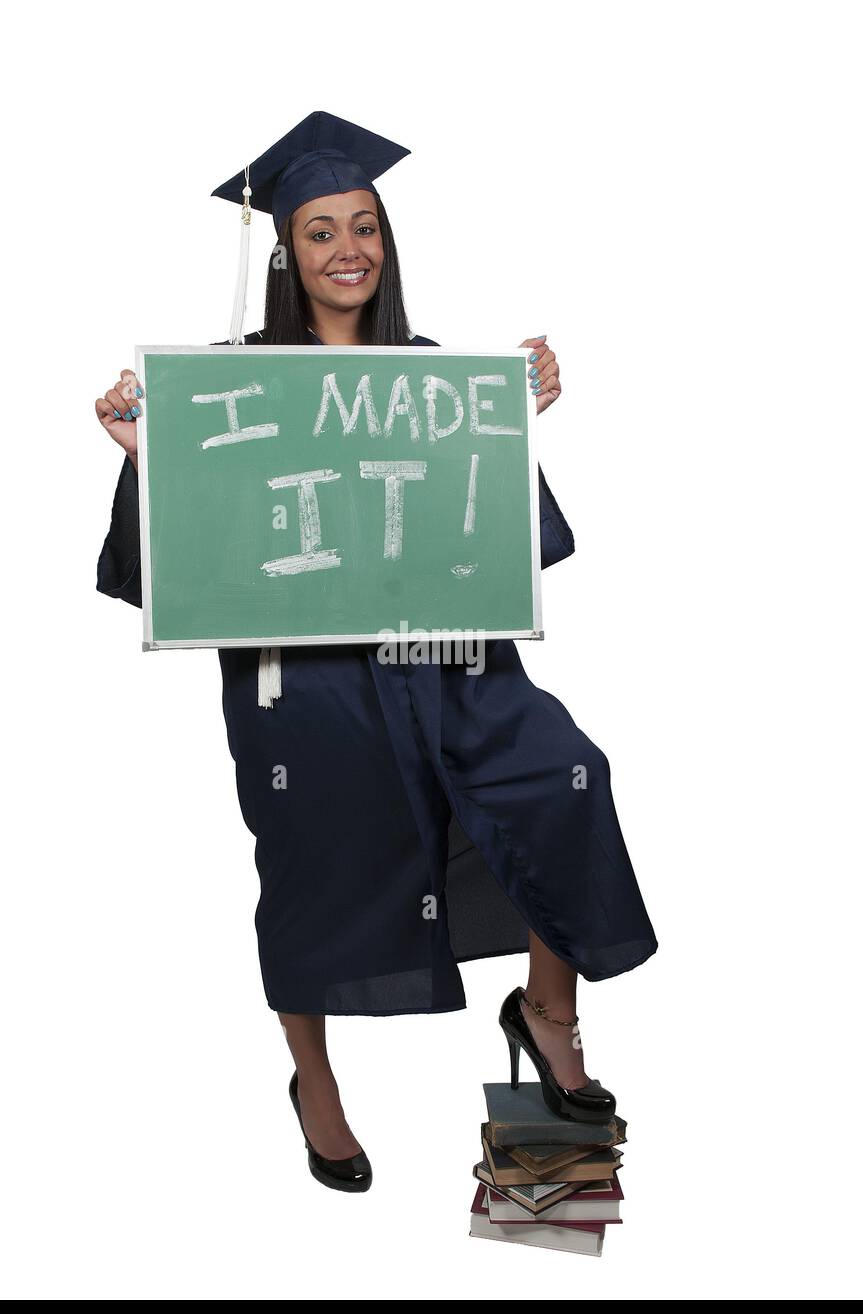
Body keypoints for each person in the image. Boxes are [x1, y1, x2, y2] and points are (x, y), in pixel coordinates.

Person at [95, 111, 658, 1194]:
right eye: (318, 230)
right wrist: (145, 457)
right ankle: (312, 1078)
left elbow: (502, 539)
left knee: (561, 777)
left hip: (450, 665)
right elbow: (179, 560)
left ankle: (545, 1024)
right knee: (312, 866)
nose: (346, 246)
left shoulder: (436, 375)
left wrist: (513, 416)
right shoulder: (231, 381)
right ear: (285, 253)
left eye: (363, 225)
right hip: (306, 684)